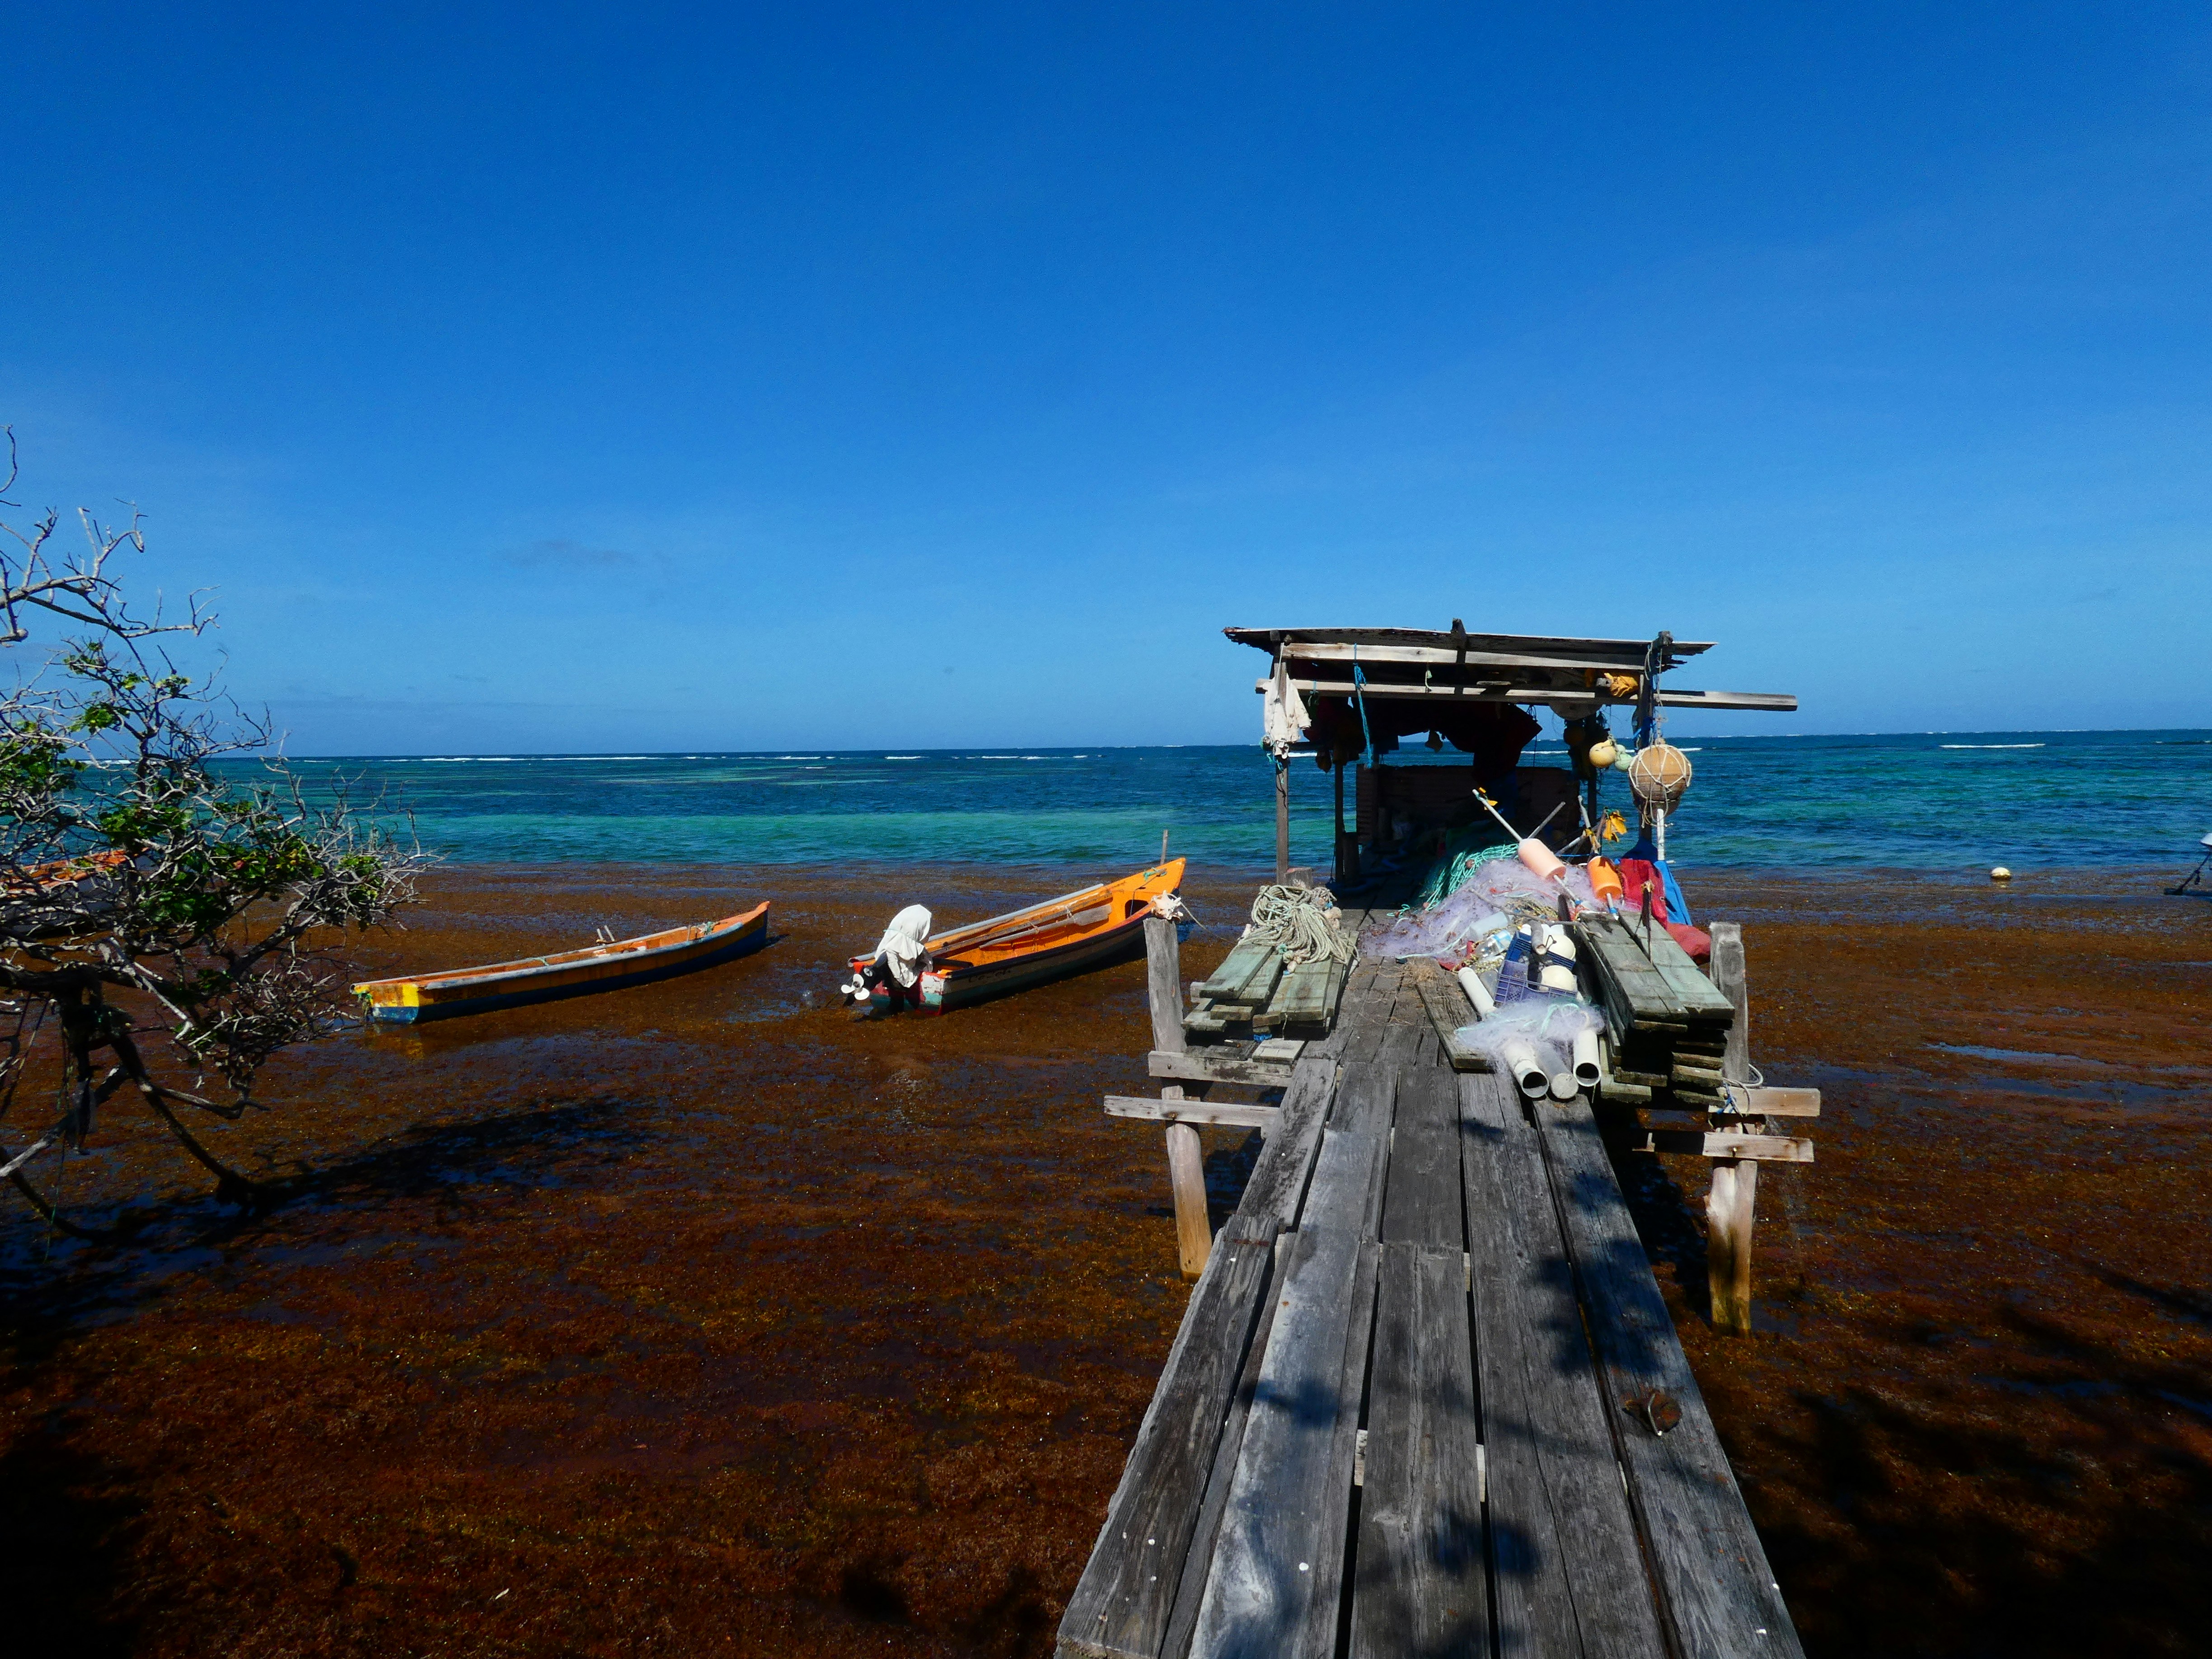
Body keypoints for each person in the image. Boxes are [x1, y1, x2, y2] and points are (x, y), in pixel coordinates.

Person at [844, 904, 933, 1012]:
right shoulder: (904, 947)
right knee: (883, 966)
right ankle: (863, 984)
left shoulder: (891, 943)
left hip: (886, 963)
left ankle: (865, 983)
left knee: (882, 964)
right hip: (891, 972)